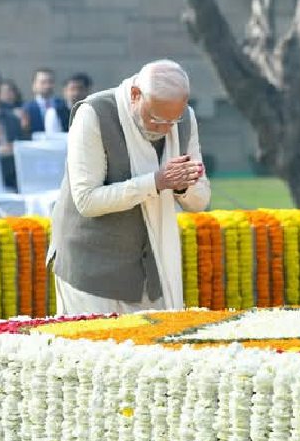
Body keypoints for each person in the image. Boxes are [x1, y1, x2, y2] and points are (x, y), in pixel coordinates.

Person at [49, 59, 210, 314]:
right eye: (156, 118)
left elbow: (200, 200)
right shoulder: (95, 113)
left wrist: (181, 187)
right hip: (90, 271)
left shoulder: (183, 120)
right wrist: (155, 182)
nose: (165, 129)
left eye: (173, 121)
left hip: (152, 270)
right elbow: (87, 201)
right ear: (135, 95)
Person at [22, 68, 69, 135]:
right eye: (43, 82)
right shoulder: (26, 108)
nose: (47, 86)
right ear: (34, 85)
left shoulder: (64, 106)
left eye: (50, 82)